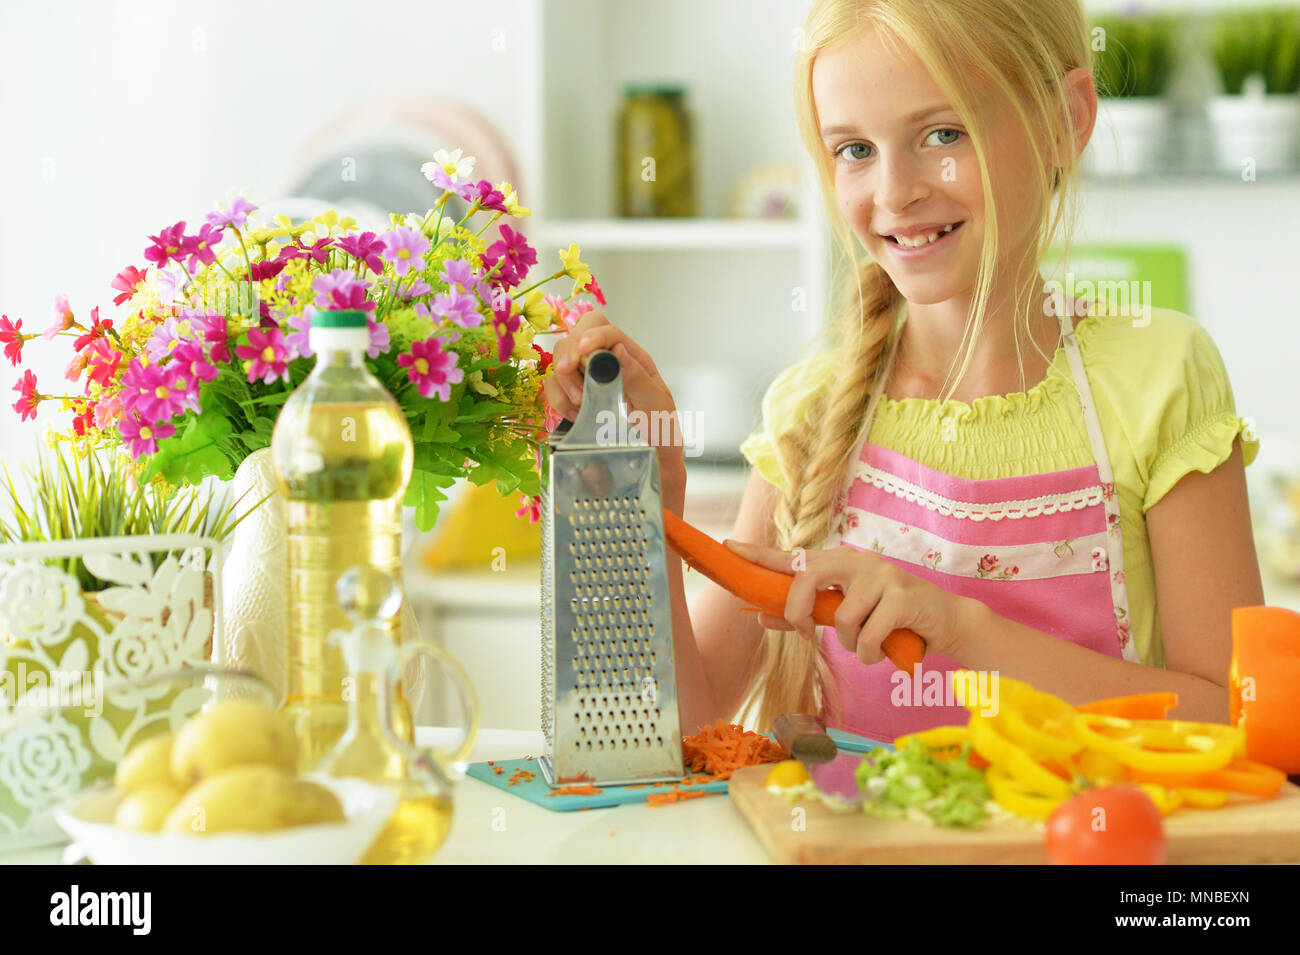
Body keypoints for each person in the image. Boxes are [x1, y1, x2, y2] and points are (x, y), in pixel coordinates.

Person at [542, 0, 1263, 738]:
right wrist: (649, 496)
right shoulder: (809, 413)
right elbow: (685, 734)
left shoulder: (1159, 375)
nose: (893, 192)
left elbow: (1240, 720)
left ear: (1064, 122)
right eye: (854, 149)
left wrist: (965, 630)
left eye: (942, 134)